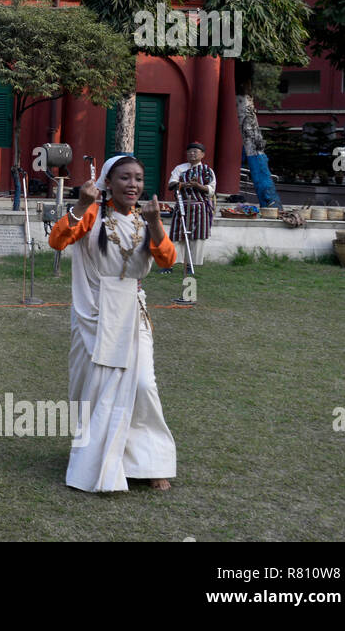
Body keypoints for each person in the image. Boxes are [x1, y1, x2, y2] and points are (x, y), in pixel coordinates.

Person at [48, 154, 179, 492]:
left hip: (132, 312)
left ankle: (151, 462)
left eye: (138, 178)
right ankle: (97, 458)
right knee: (94, 388)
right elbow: (57, 240)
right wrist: (80, 204)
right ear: (108, 182)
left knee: (143, 385)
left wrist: (155, 224)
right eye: (125, 178)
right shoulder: (92, 214)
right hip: (93, 313)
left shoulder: (144, 218)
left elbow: (167, 260)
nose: (132, 184)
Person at [167, 141, 216, 269]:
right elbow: (171, 184)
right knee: (176, 235)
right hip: (182, 206)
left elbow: (211, 190)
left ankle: (191, 265)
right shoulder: (180, 168)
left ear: (203, 154)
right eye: (190, 152)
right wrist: (184, 184)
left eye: (195, 151)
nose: (192, 154)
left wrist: (197, 186)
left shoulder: (207, 171)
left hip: (200, 207)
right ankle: (170, 263)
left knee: (197, 236)